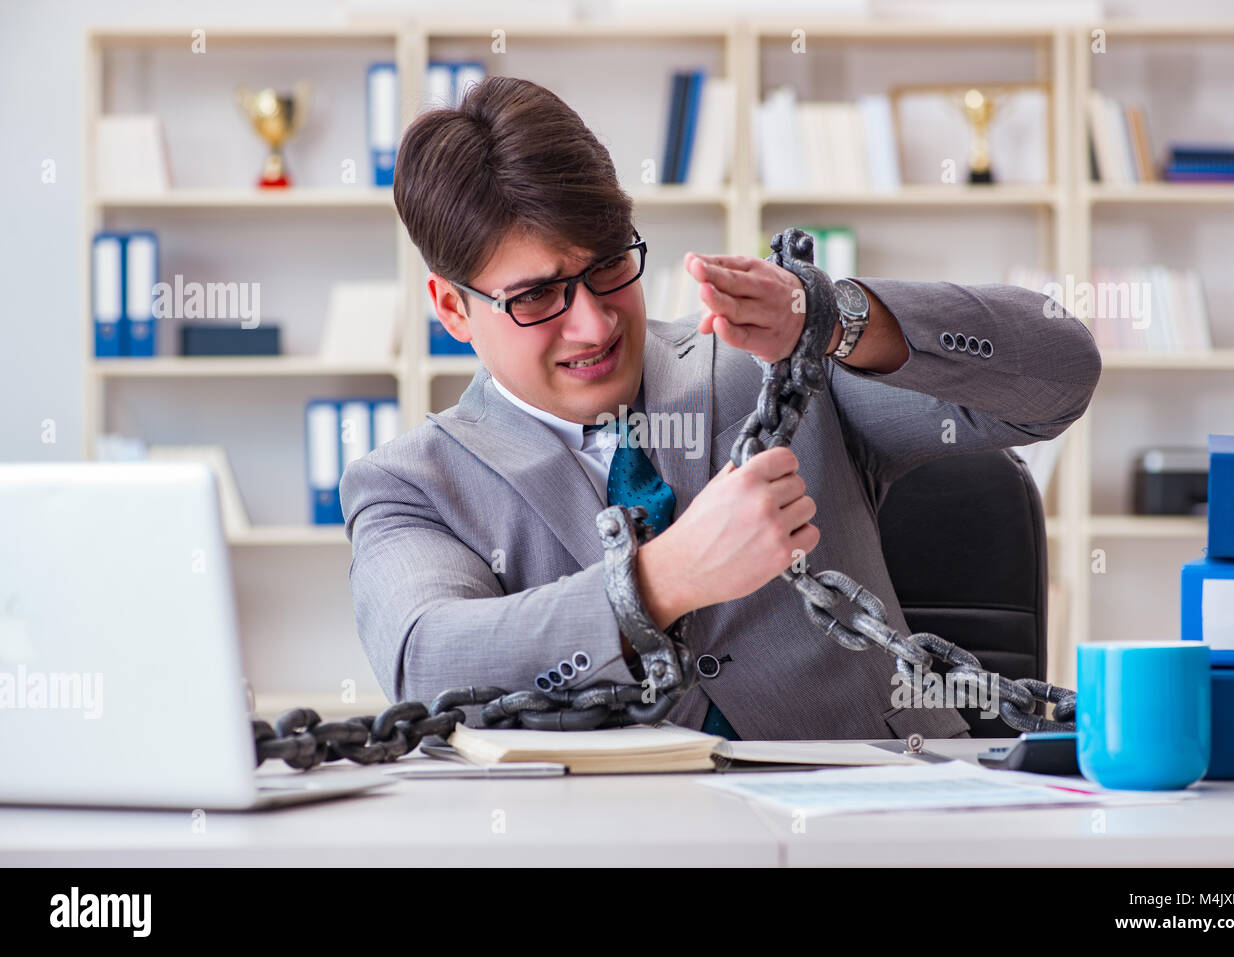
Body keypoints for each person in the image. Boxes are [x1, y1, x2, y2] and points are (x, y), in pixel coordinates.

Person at [340, 75, 1101, 741]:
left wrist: (833, 317)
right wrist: (663, 579)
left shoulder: (774, 363)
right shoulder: (412, 483)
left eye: (609, 267)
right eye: (538, 295)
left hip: (879, 821)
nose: (595, 324)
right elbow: (430, 662)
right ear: (452, 308)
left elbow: (1059, 374)